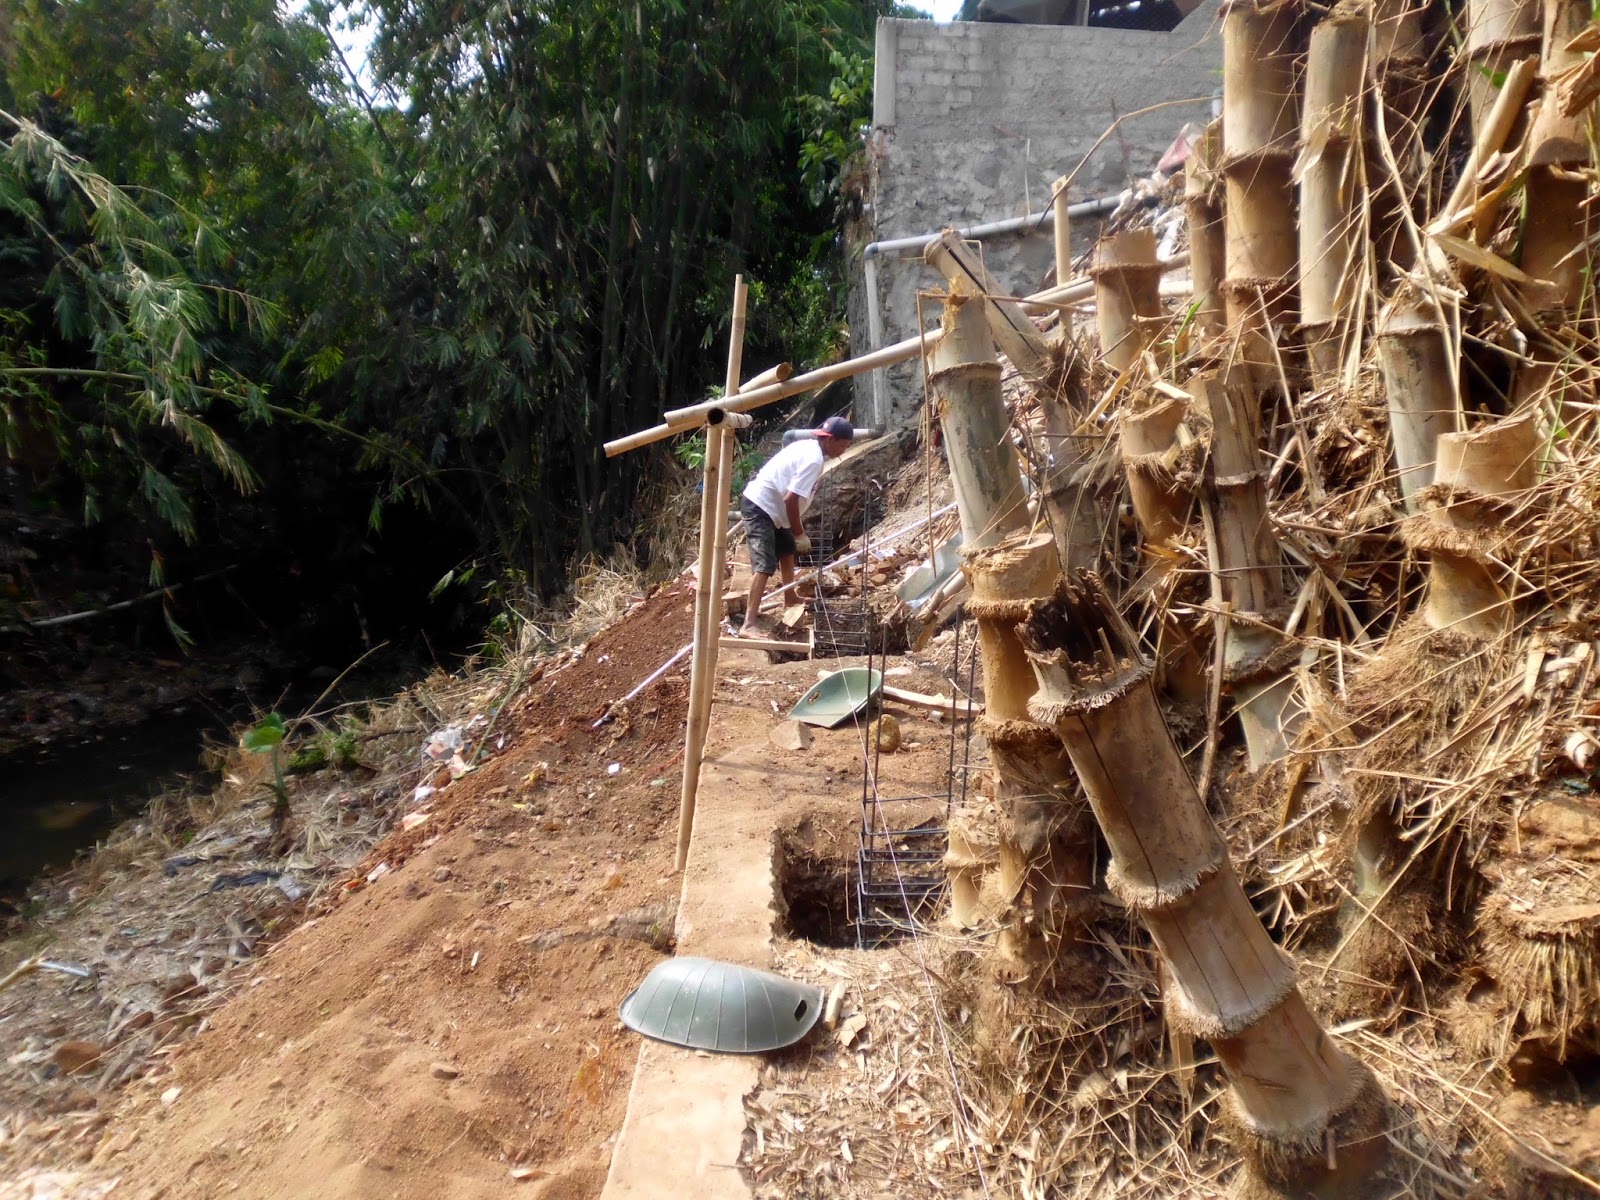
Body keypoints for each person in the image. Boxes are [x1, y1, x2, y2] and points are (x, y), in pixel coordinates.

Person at [739, 416, 854, 636]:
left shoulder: (808, 448)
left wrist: (792, 533)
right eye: (842, 444)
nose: (844, 449)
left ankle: (790, 597)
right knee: (765, 564)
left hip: (774, 508)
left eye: (847, 445)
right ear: (829, 439)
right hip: (761, 506)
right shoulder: (814, 460)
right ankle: (749, 623)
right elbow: (790, 500)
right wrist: (800, 532)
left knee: (787, 550)